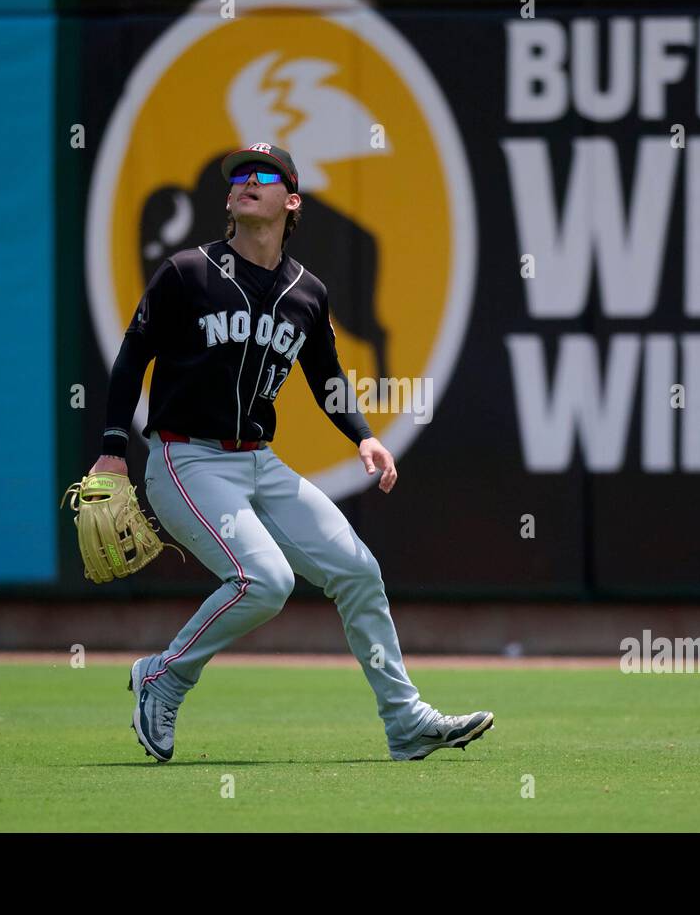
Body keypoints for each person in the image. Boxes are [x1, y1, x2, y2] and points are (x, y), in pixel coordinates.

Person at [89, 143, 494, 762]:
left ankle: (405, 720)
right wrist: (113, 449)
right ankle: (164, 675)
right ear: (229, 200)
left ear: (292, 200)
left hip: (258, 461)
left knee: (358, 570)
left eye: (264, 175)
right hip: (185, 459)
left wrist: (364, 436)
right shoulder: (186, 272)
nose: (246, 183)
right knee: (265, 580)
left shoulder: (307, 292)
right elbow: (131, 359)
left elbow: (327, 378)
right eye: (238, 178)